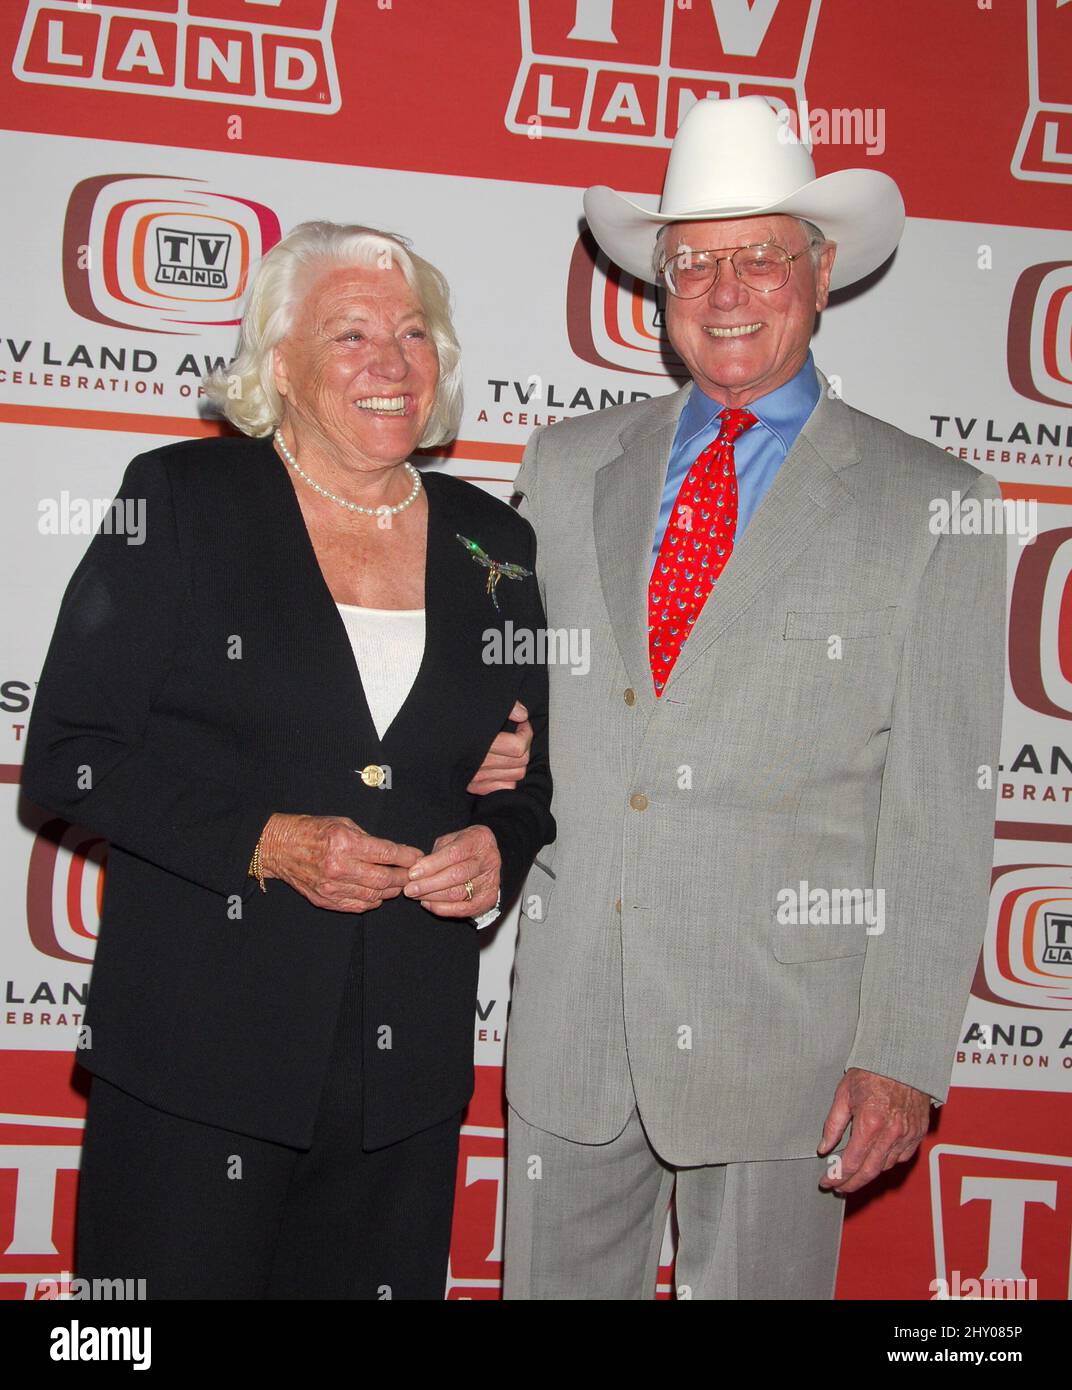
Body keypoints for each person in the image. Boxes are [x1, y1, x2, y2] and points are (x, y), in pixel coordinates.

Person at [502, 96, 1006, 1300]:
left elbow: (942, 809)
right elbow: (504, 713)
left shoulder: (932, 500)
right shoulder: (565, 465)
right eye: (694, 262)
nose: (725, 289)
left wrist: (900, 1056)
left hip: (790, 1046)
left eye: (760, 257)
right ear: (660, 287)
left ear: (820, 274)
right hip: (574, 1022)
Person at [21, 221, 553, 1300]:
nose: (392, 361)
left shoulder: (494, 543)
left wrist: (496, 846)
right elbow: (70, 759)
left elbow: (524, 782)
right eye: (350, 332)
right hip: (196, 1055)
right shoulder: (178, 501)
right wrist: (264, 841)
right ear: (278, 363)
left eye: (414, 333)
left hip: (401, 1077)